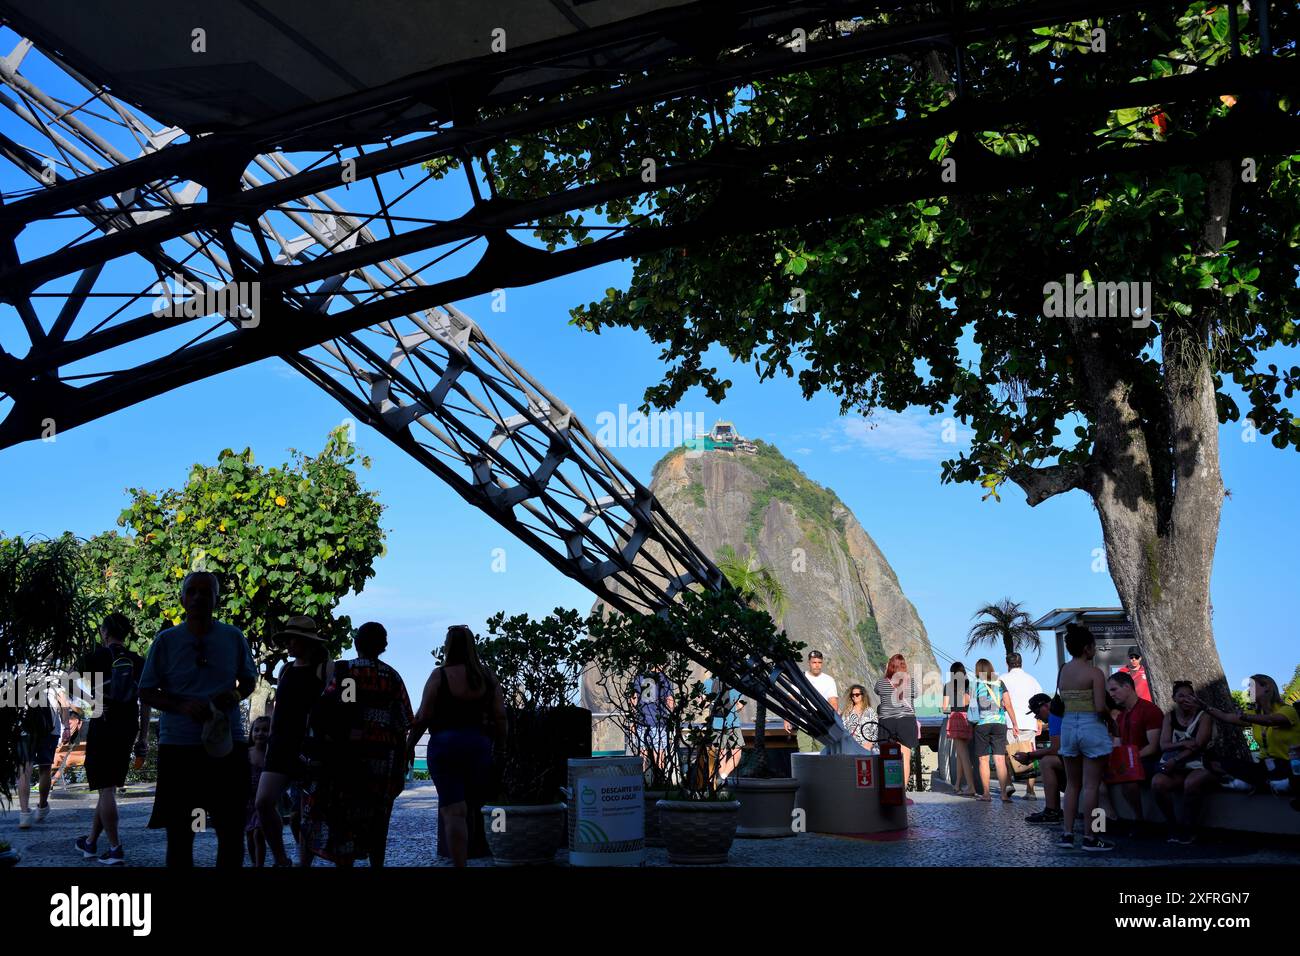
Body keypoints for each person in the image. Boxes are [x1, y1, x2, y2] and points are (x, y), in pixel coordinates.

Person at [138, 570, 257, 868]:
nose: (198, 597)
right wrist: (182, 706)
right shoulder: (165, 641)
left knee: (230, 831)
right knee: (180, 833)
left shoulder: (233, 637)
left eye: (206, 592)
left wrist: (235, 696)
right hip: (179, 748)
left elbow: (249, 680)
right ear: (182, 598)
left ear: (217, 599)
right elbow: (146, 692)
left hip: (227, 745)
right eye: (192, 591)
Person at [306, 622, 413, 867]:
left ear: (356, 643)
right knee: (379, 818)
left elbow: (337, 709)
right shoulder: (392, 676)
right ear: (384, 646)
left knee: (345, 817)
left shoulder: (347, 672)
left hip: (349, 757)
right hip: (383, 759)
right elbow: (406, 719)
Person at [408, 625, 508, 867]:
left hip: (445, 746)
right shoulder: (487, 676)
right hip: (479, 746)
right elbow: (500, 716)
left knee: (453, 811)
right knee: (475, 806)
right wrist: (503, 747)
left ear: (448, 647)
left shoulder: (439, 676)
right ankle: (491, 853)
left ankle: (460, 864)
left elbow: (423, 716)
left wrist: (409, 745)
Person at [73, 613, 150, 864]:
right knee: (109, 786)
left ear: (104, 632)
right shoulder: (138, 661)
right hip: (128, 726)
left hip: (103, 723)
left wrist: (93, 701)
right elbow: (146, 701)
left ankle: (115, 848)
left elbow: (66, 683)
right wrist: (144, 736)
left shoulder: (94, 657)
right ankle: (91, 842)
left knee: (106, 788)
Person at [254, 615, 329, 868]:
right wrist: (270, 740)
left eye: (292, 639)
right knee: (262, 802)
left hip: (308, 748)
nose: (288, 644)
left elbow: (333, 705)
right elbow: (278, 709)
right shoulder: (285, 669)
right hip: (280, 745)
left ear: (305, 641)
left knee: (304, 814)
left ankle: (303, 864)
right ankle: (281, 859)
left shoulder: (324, 669)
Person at [1054, 623, 1115, 851]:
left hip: (1069, 726)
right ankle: (1092, 837)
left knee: (1072, 785)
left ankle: (1067, 834)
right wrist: (1112, 719)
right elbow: (1100, 706)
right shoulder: (1095, 673)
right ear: (1088, 648)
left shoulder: (1063, 671)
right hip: (1091, 727)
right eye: (1094, 646)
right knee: (1092, 786)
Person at [1202, 674, 1300, 795]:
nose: (1248, 690)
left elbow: (1271, 720)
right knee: (1214, 762)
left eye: (1252, 686)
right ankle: (1267, 783)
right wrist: (1202, 705)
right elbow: (1226, 717)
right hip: (1264, 767)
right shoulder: (1254, 715)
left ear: (1267, 687)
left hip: (1288, 765)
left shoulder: (1287, 710)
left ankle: (1264, 783)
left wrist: (1245, 716)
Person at [1150, 681, 1214, 844]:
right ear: (1174, 698)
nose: (1185, 699)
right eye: (1181, 695)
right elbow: (1163, 745)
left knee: (1191, 783)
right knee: (1158, 783)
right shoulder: (1169, 717)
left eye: (1189, 695)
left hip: (1200, 763)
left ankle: (1190, 827)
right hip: (1177, 766)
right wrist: (1183, 743)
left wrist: (1176, 757)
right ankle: (1172, 825)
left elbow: (1199, 744)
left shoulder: (1204, 716)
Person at [1106, 670, 1165, 828]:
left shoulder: (1149, 710)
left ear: (1127, 687)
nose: (1111, 695)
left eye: (1114, 689)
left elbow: (1154, 747)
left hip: (1150, 762)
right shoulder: (1121, 716)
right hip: (1131, 763)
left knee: (1129, 781)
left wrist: (1129, 760)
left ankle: (1139, 821)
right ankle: (1106, 822)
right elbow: (1116, 745)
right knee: (1094, 777)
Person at [16, 667, 61, 830]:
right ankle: (42, 807)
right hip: (50, 729)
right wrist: (68, 729)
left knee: (23, 770)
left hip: (25, 729)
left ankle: (24, 815)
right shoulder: (56, 673)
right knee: (45, 770)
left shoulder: (21, 672)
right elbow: (63, 702)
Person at [971, 659, 1021, 803]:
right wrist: (1015, 723)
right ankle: (1004, 794)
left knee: (983, 759)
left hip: (982, 724)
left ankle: (986, 794)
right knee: (999, 759)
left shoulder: (975, 683)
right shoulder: (999, 682)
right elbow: (1008, 704)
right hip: (999, 723)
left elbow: (969, 703)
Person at [1000, 652, 1044, 798]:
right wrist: (1038, 721)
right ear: (1021, 663)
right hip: (1029, 722)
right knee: (1031, 755)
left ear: (1007, 664)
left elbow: (1000, 702)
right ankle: (1030, 791)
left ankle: (1008, 785)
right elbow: (1041, 701)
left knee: (1007, 754)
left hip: (1009, 723)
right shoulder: (1032, 680)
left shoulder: (1002, 679)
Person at [1021, 693, 1066, 824]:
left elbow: (1056, 748)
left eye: (1036, 712)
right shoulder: (1059, 713)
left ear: (1046, 706)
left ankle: (1052, 811)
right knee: (1048, 759)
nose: (1036, 717)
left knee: (1046, 762)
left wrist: (1030, 755)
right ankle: (1054, 810)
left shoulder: (1054, 716)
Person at [875, 654, 918, 784]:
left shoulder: (881, 683)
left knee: (887, 756)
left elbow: (877, 690)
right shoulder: (910, 682)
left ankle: (890, 788)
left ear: (890, 666)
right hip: (906, 721)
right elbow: (915, 694)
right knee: (905, 756)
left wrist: (886, 673)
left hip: (887, 722)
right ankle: (903, 792)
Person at [788, 650, 839, 753]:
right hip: (804, 723)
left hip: (822, 724)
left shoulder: (828, 680)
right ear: (809, 663)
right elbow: (791, 699)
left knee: (822, 754)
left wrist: (831, 720)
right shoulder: (800, 678)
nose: (817, 665)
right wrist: (787, 718)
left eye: (819, 662)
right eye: (814, 662)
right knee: (805, 753)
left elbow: (833, 702)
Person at [942, 663, 976, 796]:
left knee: (963, 755)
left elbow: (944, 707)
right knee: (961, 754)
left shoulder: (948, 686)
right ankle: (957, 785)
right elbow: (970, 702)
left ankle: (971, 787)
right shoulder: (969, 685)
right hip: (967, 719)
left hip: (956, 719)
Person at [702, 675, 745, 781]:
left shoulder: (708, 682)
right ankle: (723, 777)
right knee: (737, 753)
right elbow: (740, 705)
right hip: (732, 723)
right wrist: (731, 710)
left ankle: (721, 782)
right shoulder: (735, 682)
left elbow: (703, 704)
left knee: (721, 756)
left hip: (716, 723)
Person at [245, 715, 272, 867]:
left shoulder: (270, 754)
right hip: (247, 802)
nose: (260, 733)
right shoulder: (246, 752)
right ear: (251, 732)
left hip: (262, 800)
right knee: (249, 835)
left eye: (265, 730)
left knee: (258, 833)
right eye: (256, 730)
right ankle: (254, 861)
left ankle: (258, 865)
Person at [843, 684, 878, 752]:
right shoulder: (847, 712)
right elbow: (843, 730)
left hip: (867, 748)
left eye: (857, 694)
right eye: (852, 695)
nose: (854, 696)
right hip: (851, 748)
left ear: (863, 695)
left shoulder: (870, 712)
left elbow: (876, 730)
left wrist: (870, 744)